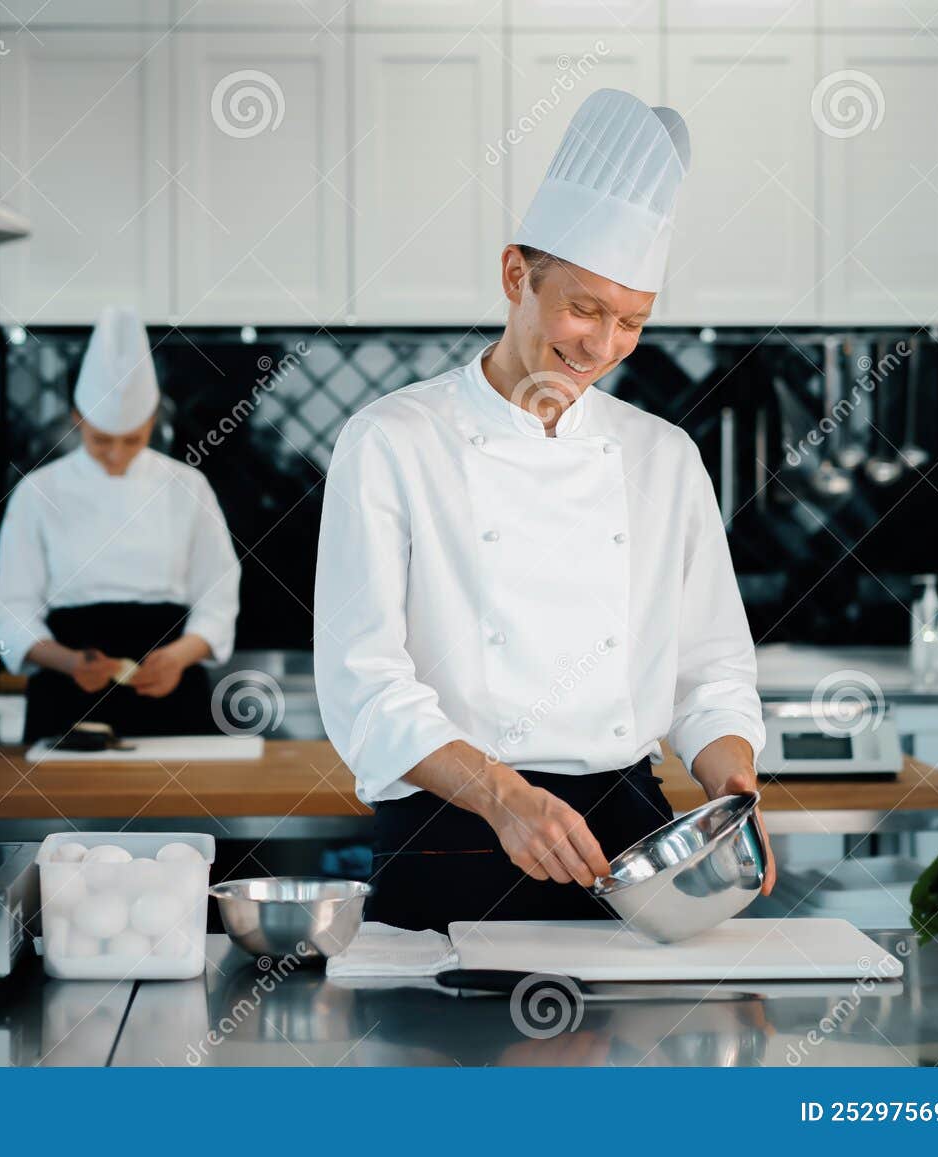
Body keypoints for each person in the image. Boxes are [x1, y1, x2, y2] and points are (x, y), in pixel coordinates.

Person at [314, 90, 774, 932]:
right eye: (584, 309)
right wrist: (504, 797)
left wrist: (732, 787)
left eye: (632, 322)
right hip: (451, 830)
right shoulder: (392, 441)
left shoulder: (663, 455)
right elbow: (363, 684)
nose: (602, 346)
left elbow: (709, 671)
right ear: (515, 275)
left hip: (628, 840)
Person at [0, 306, 241, 742]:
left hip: (170, 689)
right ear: (77, 421)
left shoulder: (187, 486)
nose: (117, 454)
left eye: (133, 440)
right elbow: (12, 611)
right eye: (100, 439)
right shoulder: (38, 491)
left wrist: (180, 657)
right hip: (67, 692)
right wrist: (69, 662)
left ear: (152, 423)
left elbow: (219, 597)